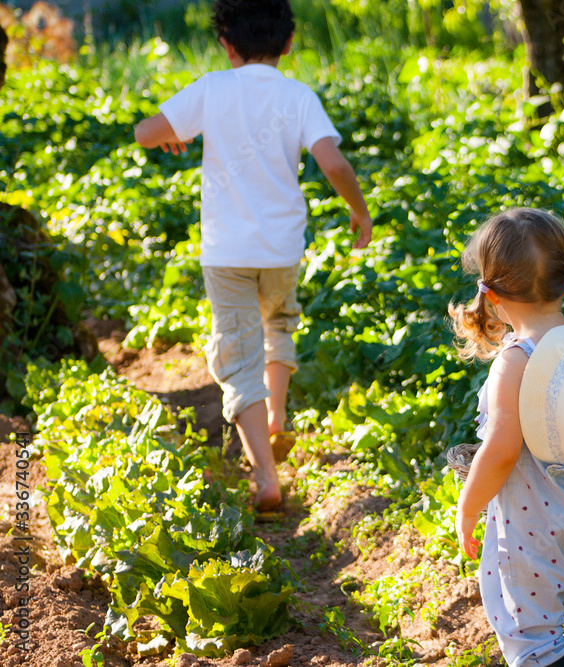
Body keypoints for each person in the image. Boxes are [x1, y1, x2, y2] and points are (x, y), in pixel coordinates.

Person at [133, 0, 372, 517]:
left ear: (225, 44)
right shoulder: (299, 95)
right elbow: (332, 160)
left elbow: (144, 133)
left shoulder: (212, 88)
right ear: (288, 43)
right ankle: (278, 416)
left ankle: (266, 477)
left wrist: (175, 132)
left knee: (238, 354)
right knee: (278, 326)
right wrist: (360, 212)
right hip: (282, 247)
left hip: (226, 253)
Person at [449, 208, 564, 667]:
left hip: (531, 524)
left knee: (528, 634)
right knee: (543, 619)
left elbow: (501, 450)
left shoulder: (516, 360)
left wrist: (468, 504)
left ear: (492, 294)